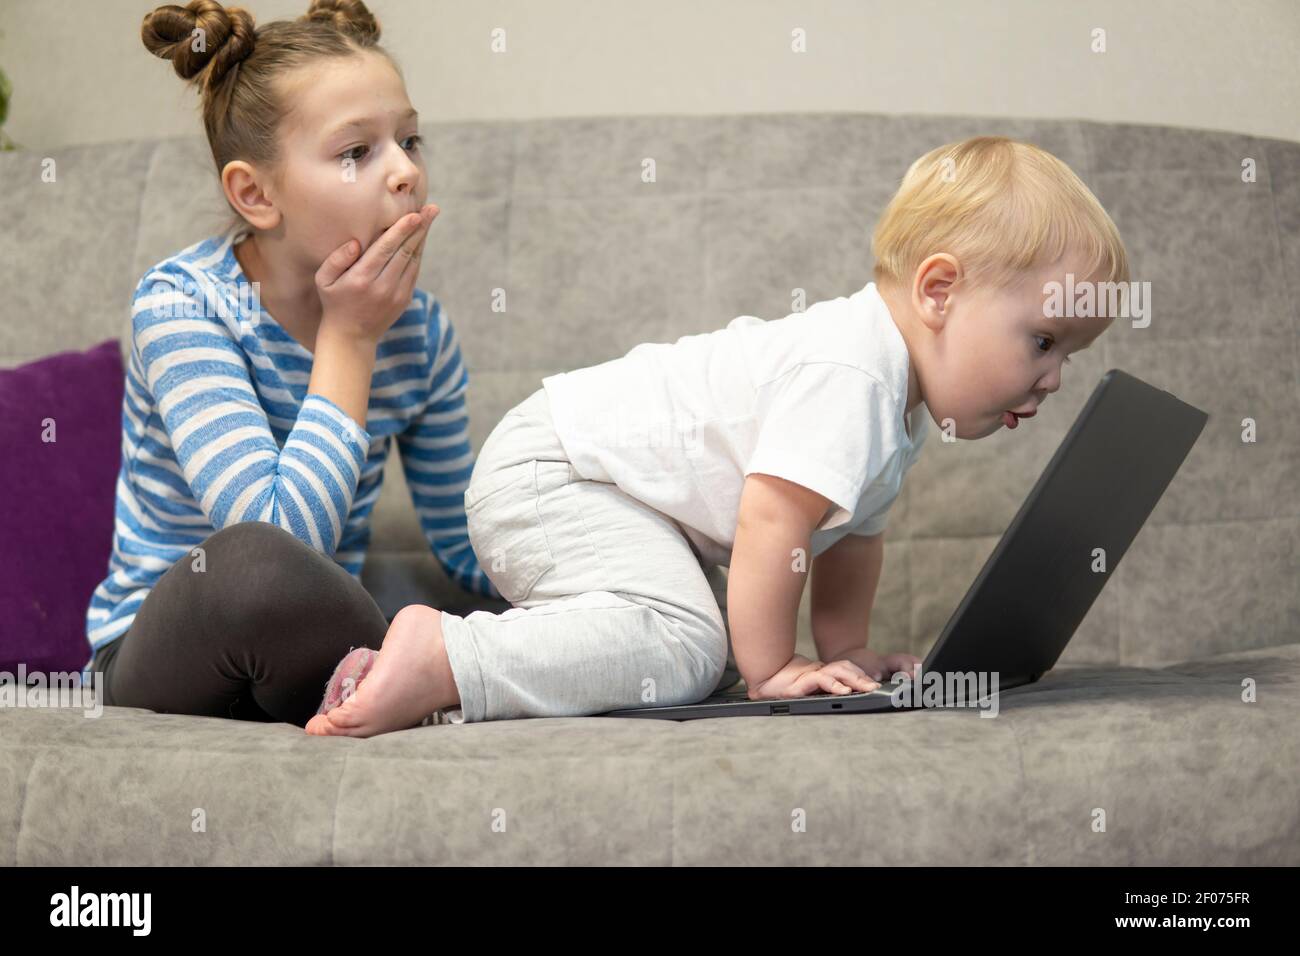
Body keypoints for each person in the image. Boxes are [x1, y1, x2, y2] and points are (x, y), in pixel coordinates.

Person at [306, 134, 1129, 737]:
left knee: (699, 662)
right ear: (940, 291)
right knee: (694, 648)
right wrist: (774, 672)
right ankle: (445, 655)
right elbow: (773, 519)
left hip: (602, 488)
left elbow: (848, 541)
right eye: (1044, 341)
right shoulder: (853, 373)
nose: (1054, 377)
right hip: (551, 473)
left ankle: (437, 666)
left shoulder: (896, 403)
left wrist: (849, 653)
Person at [82, 0, 501, 728]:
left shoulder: (422, 334)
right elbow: (279, 538)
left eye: (409, 139)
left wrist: (583, 570)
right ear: (256, 193)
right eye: (355, 152)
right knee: (251, 562)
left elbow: (466, 546)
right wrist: (350, 339)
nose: (405, 171)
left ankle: (387, 679)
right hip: (170, 649)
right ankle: (396, 675)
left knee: (436, 596)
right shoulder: (185, 306)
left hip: (311, 652)